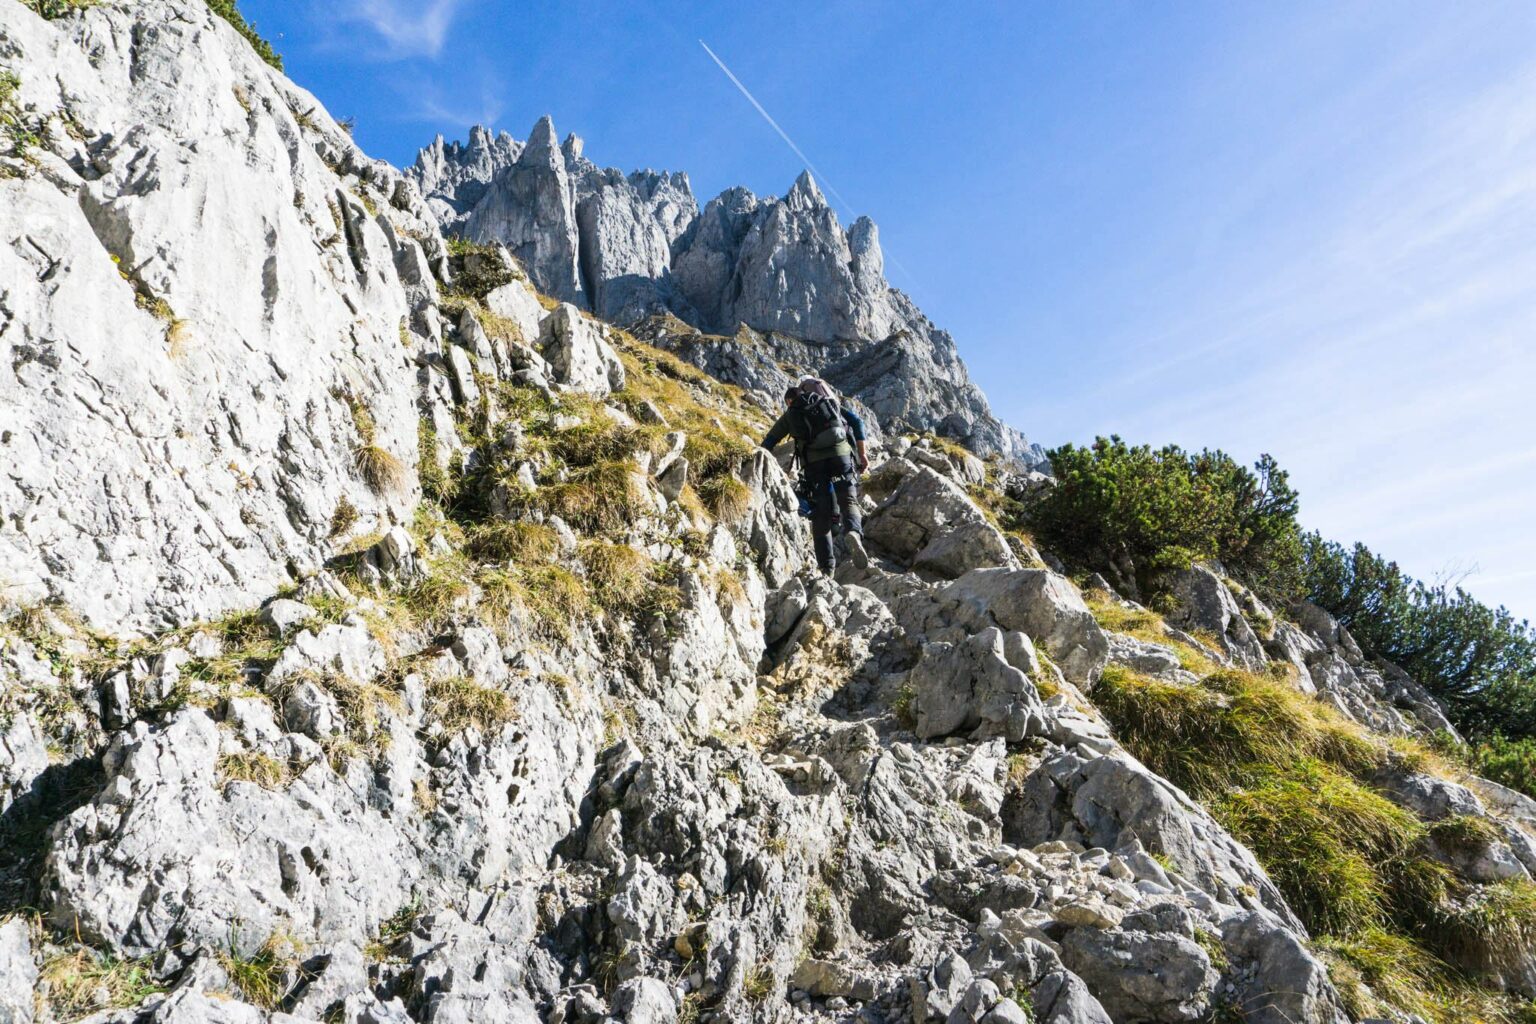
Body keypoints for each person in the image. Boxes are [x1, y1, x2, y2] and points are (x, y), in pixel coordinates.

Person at [761, 378, 870, 573]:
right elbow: (857, 422)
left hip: (814, 464)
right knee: (849, 499)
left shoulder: (792, 414)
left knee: (821, 514)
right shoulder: (828, 403)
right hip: (841, 456)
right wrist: (862, 454)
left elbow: (771, 439)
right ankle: (853, 531)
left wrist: (756, 455)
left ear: (790, 401)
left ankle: (827, 569)